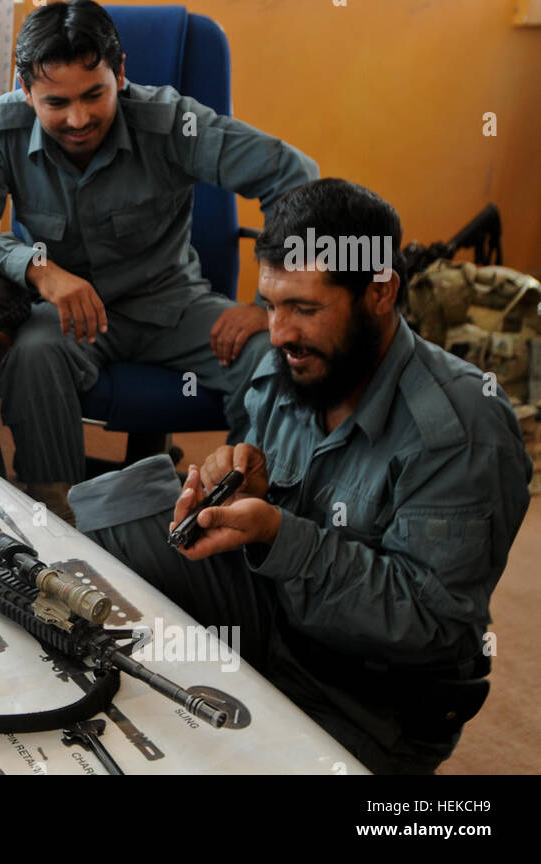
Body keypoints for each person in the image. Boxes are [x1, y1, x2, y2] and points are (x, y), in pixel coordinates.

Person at [66, 178, 533, 773]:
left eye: (305, 309)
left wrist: (279, 536)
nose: (279, 332)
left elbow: (430, 625)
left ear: (381, 292)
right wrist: (239, 477)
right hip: (280, 619)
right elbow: (266, 479)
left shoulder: (463, 431)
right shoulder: (295, 366)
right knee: (118, 525)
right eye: (270, 304)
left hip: (373, 699)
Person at [0, 0, 317, 518]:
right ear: (25, 89)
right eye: (56, 103)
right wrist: (38, 269)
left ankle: (245, 508)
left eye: (95, 94)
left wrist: (270, 304)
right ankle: (61, 519)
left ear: (121, 73)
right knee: (33, 356)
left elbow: (294, 175)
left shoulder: (171, 122)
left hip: (174, 304)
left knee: (275, 359)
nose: (78, 119)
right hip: (70, 315)